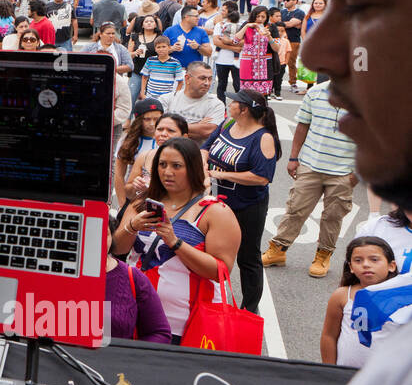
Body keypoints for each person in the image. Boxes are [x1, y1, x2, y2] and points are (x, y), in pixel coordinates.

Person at [109, 138, 241, 342]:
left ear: (193, 168)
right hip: (133, 313)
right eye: (162, 165)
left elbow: (220, 271)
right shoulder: (142, 202)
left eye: (176, 166)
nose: (167, 172)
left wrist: (174, 242)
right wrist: (132, 227)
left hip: (184, 325)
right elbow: (118, 249)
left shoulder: (215, 212)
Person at [262, 79, 357, 278]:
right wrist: (294, 157)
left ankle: (323, 254)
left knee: (333, 215)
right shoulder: (316, 92)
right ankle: (278, 249)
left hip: (343, 171)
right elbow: (303, 125)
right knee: (295, 208)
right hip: (310, 165)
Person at [204, 89, 280, 314]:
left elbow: (262, 177)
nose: (229, 104)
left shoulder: (263, 137)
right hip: (217, 204)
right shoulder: (227, 124)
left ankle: (249, 309)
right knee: (211, 254)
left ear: (244, 109)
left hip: (247, 206)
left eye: (233, 102)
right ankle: (210, 302)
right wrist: (203, 171)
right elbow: (205, 149)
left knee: (248, 258)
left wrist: (220, 175)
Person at [320, 237, 400, 368]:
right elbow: (329, 336)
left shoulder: (403, 299)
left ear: (391, 266)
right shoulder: (342, 295)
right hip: (345, 375)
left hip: (388, 378)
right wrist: (329, 370)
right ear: (351, 267)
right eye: (358, 260)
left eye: (374, 259)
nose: (366, 264)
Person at [114, 98, 164, 208]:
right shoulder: (128, 140)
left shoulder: (167, 139)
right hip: (133, 196)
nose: (152, 124)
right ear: (138, 120)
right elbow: (119, 175)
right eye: (147, 119)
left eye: (156, 119)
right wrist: (122, 205)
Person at [160, 62, 226, 143]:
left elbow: (208, 131)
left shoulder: (216, 104)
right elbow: (157, 127)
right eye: (202, 78)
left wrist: (171, 128)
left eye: (210, 79)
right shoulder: (167, 99)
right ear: (187, 78)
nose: (207, 83)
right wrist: (198, 125)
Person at [236, 5, 279, 97]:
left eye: (263, 17)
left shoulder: (271, 27)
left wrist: (269, 37)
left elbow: (277, 48)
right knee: (247, 96)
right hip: (248, 64)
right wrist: (247, 26)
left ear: (267, 17)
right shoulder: (247, 25)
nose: (260, 19)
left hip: (265, 65)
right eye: (257, 16)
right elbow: (235, 40)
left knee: (263, 97)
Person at [127, 13, 163, 102]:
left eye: (152, 21)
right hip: (137, 71)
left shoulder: (160, 38)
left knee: (151, 100)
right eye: (146, 21)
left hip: (154, 73)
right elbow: (128, 55)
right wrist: (135, 53)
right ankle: (129, 116)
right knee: (130, 97)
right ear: (142, 25)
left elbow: (164, 54)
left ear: (155, 24)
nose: (149, 23)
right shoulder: (135, 37)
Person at [163, 5, 213, 70]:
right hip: (173, 70)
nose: (198, 18)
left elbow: (209, 52)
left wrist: (198, 47)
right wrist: (172, 49)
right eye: (196, 16)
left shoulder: (201, 32)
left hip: (194, 71)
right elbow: (159, 51)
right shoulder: (169, 31)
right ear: (186, 17)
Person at [140, 35, 182, 99]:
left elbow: (180, 81)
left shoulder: (175, 63)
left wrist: (175, 96)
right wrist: (143, 93)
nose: (161, 49)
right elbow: (144, 77)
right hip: (150, 96)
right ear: (155, 49)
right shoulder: (150, 60)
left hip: (166, 98)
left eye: (164, 47)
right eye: (158, 47)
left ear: (169, 47)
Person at [280, 0, 307, 92]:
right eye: (284, 0)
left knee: (291, 62)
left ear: (295, 1)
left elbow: (292, 24)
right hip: (280, 41)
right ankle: (276, 82)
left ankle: (293, 83)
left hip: (293, 40)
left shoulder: (299, 12)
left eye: (287, 0)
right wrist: (289, 24)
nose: (285, 2)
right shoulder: (282, 12)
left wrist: (283, 24)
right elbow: (276, 23)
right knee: (278, 62)